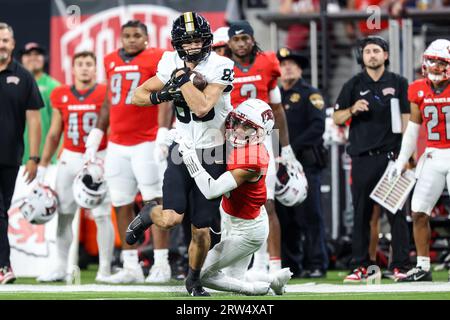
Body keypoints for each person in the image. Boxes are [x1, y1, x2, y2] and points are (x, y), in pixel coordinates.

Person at [126, 11, 235, 296]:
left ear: (208, 40)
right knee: (172, 217)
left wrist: (182, 80)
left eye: (197, 39)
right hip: (182, 148)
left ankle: (194, 278)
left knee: (201, 229)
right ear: (177, 43)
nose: (193, 46)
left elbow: (201, 107)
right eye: (186, 42)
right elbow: (135, 96)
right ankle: (151, 212)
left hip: (213, 152)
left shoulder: (222, 64)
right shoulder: (168, 60)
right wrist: (161, 95)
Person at [84, 20, 171, 284]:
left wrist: (162, 134)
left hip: (146, 142)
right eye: (126, 35)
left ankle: (161, 263)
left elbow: (166, 95)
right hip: (117, 144)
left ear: (146, 38)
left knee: (154, 202)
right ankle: (130, 265)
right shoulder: (110, 59)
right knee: (120, 203)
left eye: (137, 35)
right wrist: (97, 134)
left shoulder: (158, 57)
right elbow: (110, 100)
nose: (131, 40)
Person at [333, 36, 411, 283]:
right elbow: (336, 118)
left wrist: (407, 156)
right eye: (367, 51)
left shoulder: (399, 83)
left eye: (376, 50)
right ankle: (360, 266)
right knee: (361, 214)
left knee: (396, 213)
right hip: (362, 158)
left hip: (391, 158)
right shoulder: (353, 84)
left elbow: (409, 120)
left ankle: (400, 265)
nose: (372, 55)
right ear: (362, 56)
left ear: (385, 55)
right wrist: (352, 109)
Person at [35, 51, 114, 283]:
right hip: (70, 156)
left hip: (98, 156)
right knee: (65, 214)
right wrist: (42, 163)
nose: (85, 68)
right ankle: (60, 266)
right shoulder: (61, 94)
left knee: (101, 215)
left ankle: (105, 269)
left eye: (89, 64)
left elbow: (111, 127)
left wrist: (107, 159)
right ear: (73, 68)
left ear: (95, 67)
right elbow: (53, 133)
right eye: (80, 64)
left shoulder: (104, 92)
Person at [227, 21, 296, 276]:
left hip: (262, 142)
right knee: (234, 207)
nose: (242, 43)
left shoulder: (267, 63)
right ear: (229, 42)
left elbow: (277, 109)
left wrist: (285, 148)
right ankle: (240, 266)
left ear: (252, 39)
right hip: (232, 142)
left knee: (267, 203)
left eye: (245, 38)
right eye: (236, 39)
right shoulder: (222, 67)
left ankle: (272, 263)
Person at [388, 39, 450, 282]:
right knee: (418, 211)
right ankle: (423, 267)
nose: (434, 66)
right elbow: (413, 129)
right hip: (433, 154)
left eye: (440, 61)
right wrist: (402, 159)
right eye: (431, 60)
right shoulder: (417, 88)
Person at [276, 47, 329, 278]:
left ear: (300, 69)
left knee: (310, 216)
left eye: (292, 64)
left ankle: (316, 262)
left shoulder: (310, 94)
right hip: (280, 167)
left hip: (305, 164)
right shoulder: (274, 96)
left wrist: (290, 149)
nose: (287, 67)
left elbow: (318, 127)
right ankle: (291, 265)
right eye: (283, 64)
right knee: (285, 218)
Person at [0, 22, 43, 284]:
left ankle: (3, 266)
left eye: (5, 40)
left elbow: (35, 120)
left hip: (10, 158)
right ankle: (4, 266)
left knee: (2, 211)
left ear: (12, 44)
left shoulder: (24, 76)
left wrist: (34, 157)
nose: (1, 45)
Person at [20, 42, 60, 165]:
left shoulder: (54, 87)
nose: (33, 58)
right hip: (17, 157)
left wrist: (54, 155)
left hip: (46, 159)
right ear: (21, 59)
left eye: (37, 54)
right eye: (28, 54)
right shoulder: (13, 85)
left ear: (44, 58)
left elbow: (60, 126)